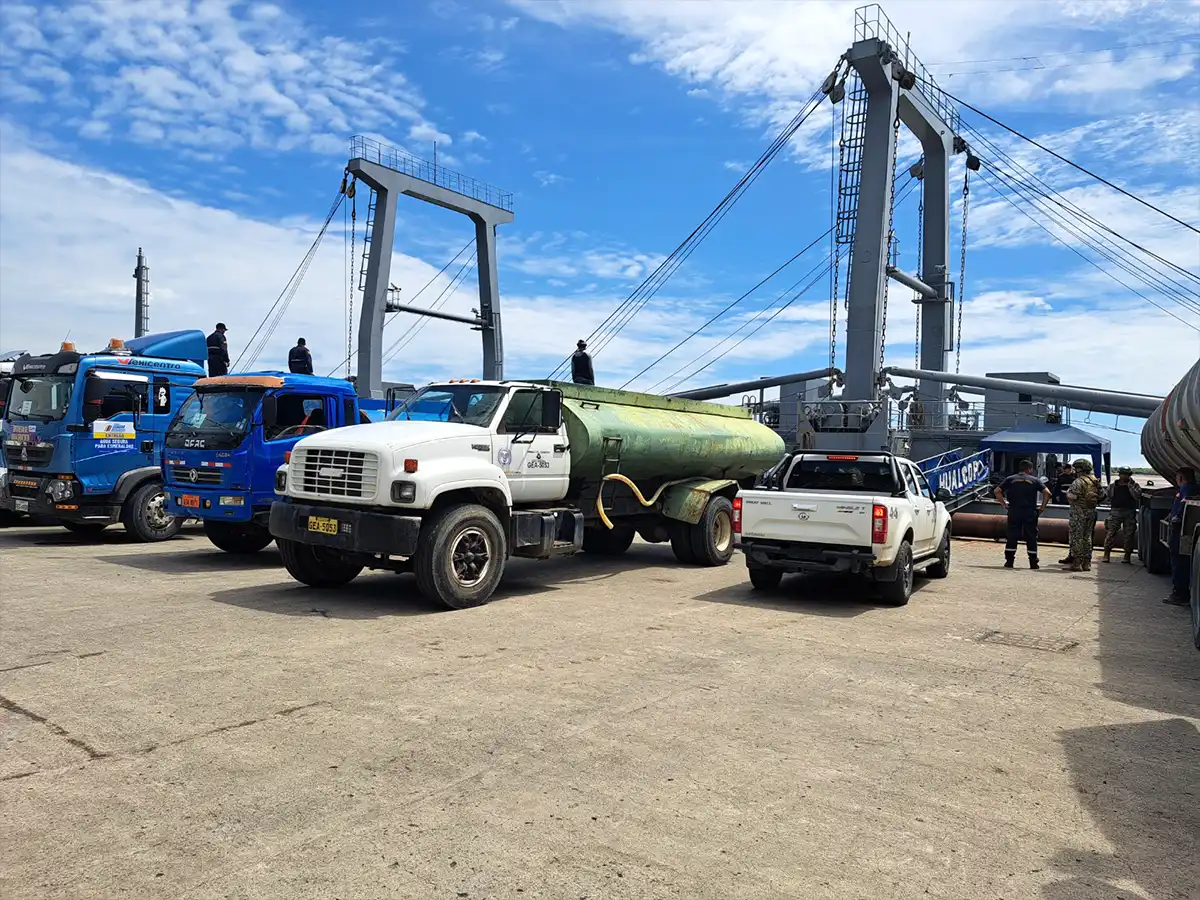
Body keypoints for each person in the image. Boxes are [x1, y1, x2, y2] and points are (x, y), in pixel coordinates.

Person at [995, 459, 1051, 569]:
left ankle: (1009, 561)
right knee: (1031, 536)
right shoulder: (1035, 480)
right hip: (1030, 512)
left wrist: (1004, 504)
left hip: (1014, 511)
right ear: (1029, 469)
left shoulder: (1010, 479)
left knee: (1012, 535)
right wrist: (1042, 507)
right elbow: (1047, 493)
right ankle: (1033, 562)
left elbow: (997, 491)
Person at [1164, 466, 1197, 606]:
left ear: (1181, 478)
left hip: (1180, 531)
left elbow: (1182, 509)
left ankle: (1180, 594)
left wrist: (1174, 518)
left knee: (1179, 562)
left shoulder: (1186, 489)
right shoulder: (1193, 488)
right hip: (1184, 529)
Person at [1063, 458, 1101, 571]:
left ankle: (1077, 563)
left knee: (1076, 537)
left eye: (1076, 469)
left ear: (1080, 469)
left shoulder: (1078, 482)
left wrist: (1069, 495)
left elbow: (1071, 497)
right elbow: (1102, 496)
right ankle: (1086, 563)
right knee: (1087, 537)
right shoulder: (1095, 481)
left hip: (1078, 513)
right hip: (1091, 512)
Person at [1102, 466, 1141, 564]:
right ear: (1119, 474)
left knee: (1129, 534)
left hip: (1129, 512)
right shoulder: (1113, 485)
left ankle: (1127, 555)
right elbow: (1108, 496)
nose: (1124, 476)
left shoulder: (1134, 485)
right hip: (1115, 512)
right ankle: (1106, 553)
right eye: (1122, 474)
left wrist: (1130, 486)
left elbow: (1137, 496)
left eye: (1126, 474)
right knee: (1111, 533)